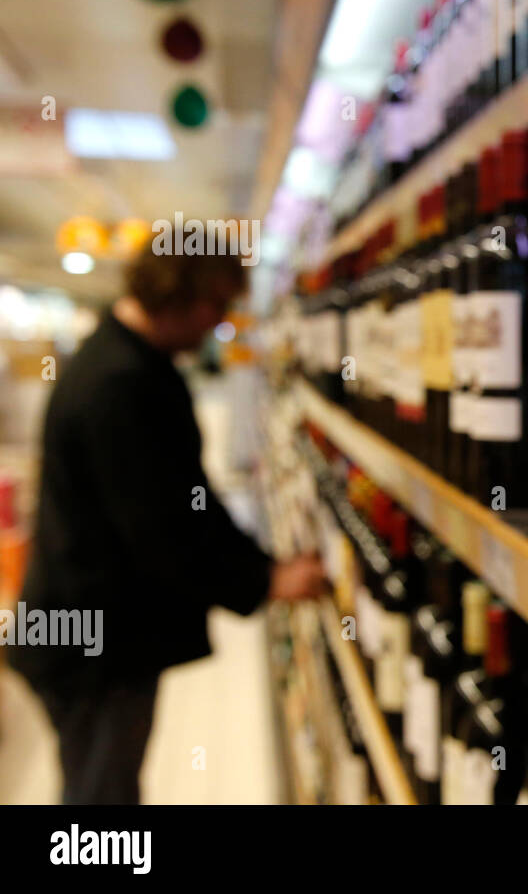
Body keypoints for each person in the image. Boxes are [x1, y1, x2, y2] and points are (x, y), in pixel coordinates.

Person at [10, 242, 326, 804]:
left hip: (82, 629)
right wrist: (262, 582)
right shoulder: (121, 383)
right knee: (100, 802)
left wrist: (261, 569)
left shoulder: (125, 362)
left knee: (97, 787)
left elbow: (187, 498)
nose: (220, 323)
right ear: (186, 298)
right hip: (89, 642)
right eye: (218, 306)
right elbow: (163, 530)